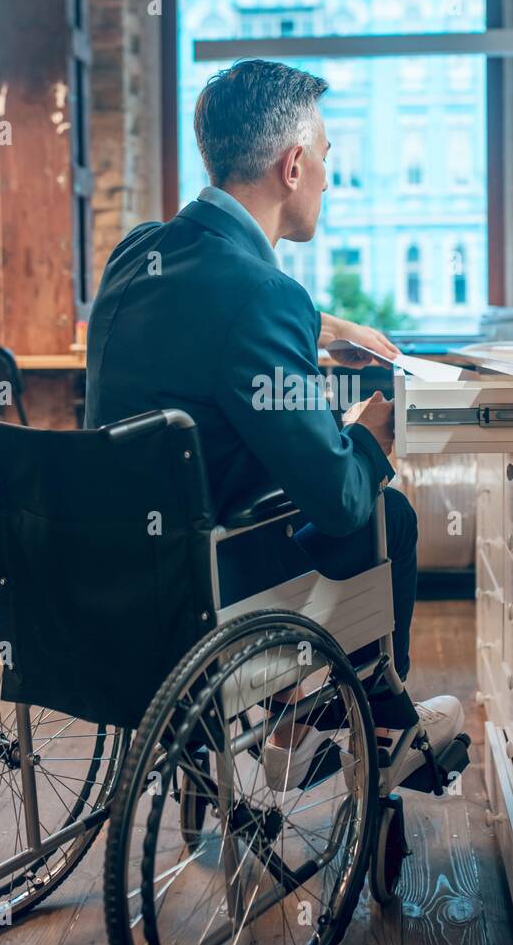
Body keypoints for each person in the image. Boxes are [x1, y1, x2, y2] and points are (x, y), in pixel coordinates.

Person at [85, 59, 463, 789]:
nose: (329, 174)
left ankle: (308, 716)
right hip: (208, 595)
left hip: (103, 577)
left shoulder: (138, 254)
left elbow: (207, 311)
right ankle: (372, 727)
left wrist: (323, 326)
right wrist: (372, 436)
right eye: (324, 157)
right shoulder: (265, 293)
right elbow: (339, 499)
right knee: (381, 513)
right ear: (293, 165)